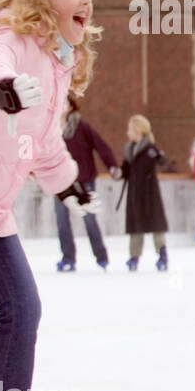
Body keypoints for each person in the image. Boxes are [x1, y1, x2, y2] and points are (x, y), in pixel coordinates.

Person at [0, 0, 102, 391]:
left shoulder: (57, 62)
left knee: (22, 310)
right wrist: (2, 93)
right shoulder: (8, 39)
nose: (86, 0)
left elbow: (45, 144)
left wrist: (68, 183)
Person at [55, 93, 119, 271]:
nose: (62, 106)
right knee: (62, 221)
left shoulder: (82, 127)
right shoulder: (52, 129)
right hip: (61, 183)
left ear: (71, 106)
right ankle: (68, 259)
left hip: (84, 181)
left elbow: (101, 146)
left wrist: (112, 166)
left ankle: (101, 257)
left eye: (65, 102)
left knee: (89, 219)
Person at [120, 115, 170, 272]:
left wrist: (159, 156)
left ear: (137, 130)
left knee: (156, 225)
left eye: (129, 129)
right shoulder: (129, 150)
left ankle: (162, 254)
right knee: (136, 226)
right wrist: (117, 172)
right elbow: (125, 171)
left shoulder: (149, 149)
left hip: (149, 193)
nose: (127, 132)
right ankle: (134, 257)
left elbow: (162, 161)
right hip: (135, 193)